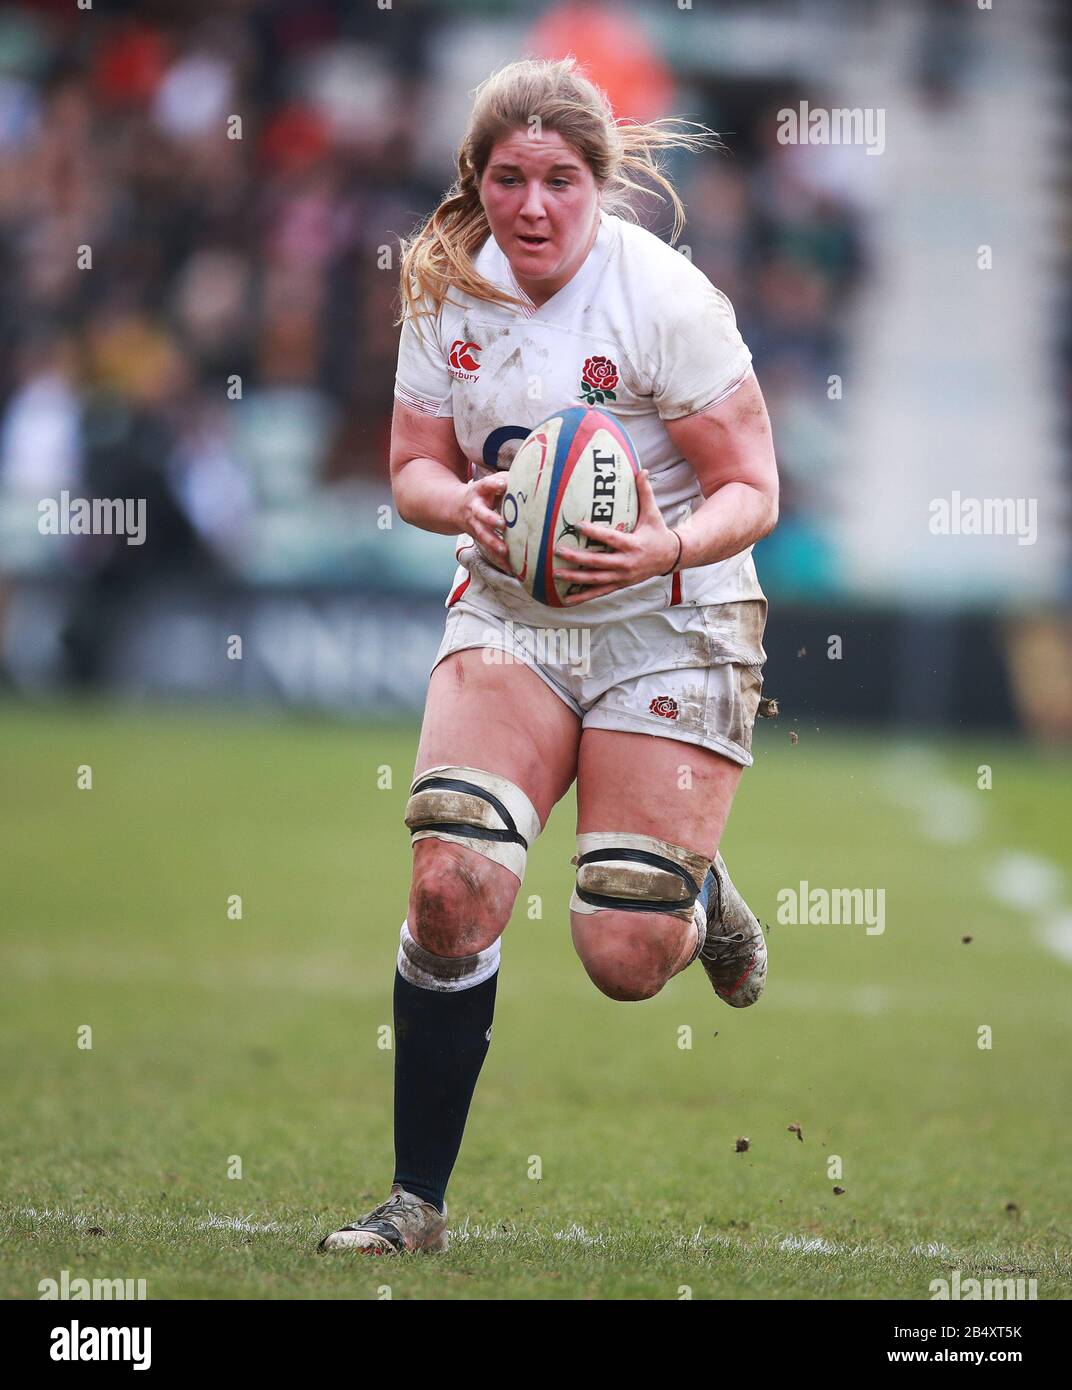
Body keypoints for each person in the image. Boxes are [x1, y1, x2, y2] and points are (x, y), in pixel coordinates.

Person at [318, 57, 778, 1256]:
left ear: (600, 183)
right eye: (509, 178)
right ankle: (416, 1205)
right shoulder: (443, 290)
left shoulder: (664, 300)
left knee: (623, 953)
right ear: (475, 180)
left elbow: (754, 487)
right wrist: (457, 505)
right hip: (515, 611)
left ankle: (696, 893)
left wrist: (661, 544)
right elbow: (415, 463)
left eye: (560, 181)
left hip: (674, 613)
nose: (532, 206)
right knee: (449, 882)